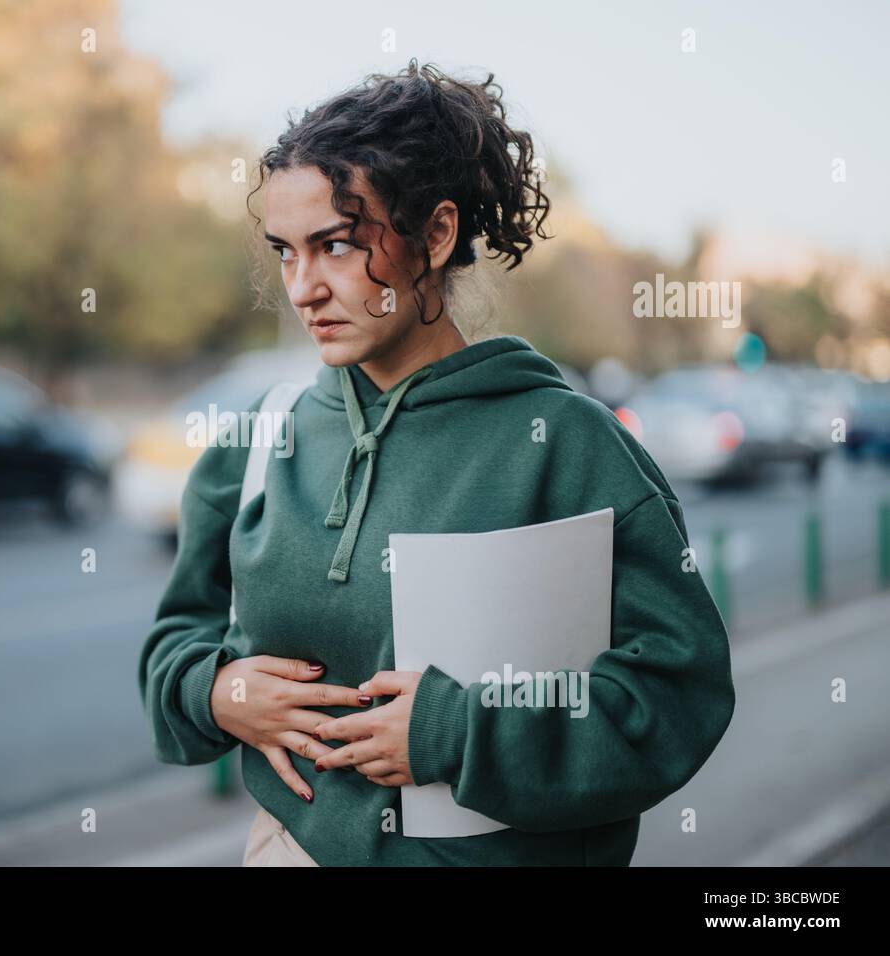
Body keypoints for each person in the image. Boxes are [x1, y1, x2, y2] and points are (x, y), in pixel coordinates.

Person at [137, 59, 735, 866]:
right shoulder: (258, 438)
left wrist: (457, 732)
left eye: (337, 246)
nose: (303, 287)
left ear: (437, 235)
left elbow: (679, 694)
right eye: (285, 252)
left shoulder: (567, 442)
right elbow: (175, 640)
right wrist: (215, 691)